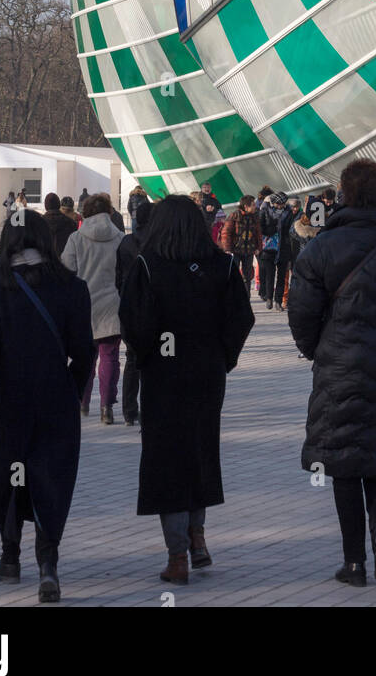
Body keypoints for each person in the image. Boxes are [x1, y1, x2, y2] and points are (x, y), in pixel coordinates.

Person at [287, 158, 376, 586]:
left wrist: (317, 350)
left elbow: (301, 310)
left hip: (339, 366)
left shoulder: (321, 247)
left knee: (344, 462)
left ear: (345, 195)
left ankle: (354, 563)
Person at [118, 196, 254, 584]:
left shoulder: (149, 266)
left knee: (167, 461)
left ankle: (178, 553)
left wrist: (145, 358)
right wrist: (222, 358)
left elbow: (133, 322)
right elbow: (240, 319)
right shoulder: (223, 267)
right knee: (200, 451)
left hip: (163, 377)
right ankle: (198, 537)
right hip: (207, 376)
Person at [0, 209, 93, 603]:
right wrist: (70, 391)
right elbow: (85, 352)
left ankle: (9, 558)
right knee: (50, 480)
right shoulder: (72, 287)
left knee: (11, 474)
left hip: (6, 403)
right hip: (55, 403)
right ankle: (48, 565)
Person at [60, 192, 124, 423]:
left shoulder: (76, 239)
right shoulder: (119, 239)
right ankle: (106, 407)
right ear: (109, 212)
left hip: (83, 307)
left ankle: (82, 403)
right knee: (110, 357)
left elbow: (65, 272)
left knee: (85, 357)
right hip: (111, 307)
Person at [116, 198, 154, 428]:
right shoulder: (158, 243)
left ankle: (129, 410)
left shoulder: (126, 242)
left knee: (131, 360)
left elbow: (117, 278)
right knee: (154, 362)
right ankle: (150, 408)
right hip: (153, 309)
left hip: (129, 308)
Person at [221, 196, 261, 295]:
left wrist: (258, 247)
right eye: (253, 205)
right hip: (235, 250)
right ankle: (232, 296)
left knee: (247, 276)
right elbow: (226, 233)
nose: (255, 207)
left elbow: (258, 234)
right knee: (233, 274)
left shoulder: (254, 217)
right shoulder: (234, 215)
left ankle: (246, 297)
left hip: (249, 250)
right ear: (246, 206)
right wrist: (227, 249)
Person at [258, 192, 286, 307]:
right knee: (270, 274)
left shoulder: (287, 211)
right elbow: (260, 229)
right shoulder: (264, 212)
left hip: (284, 247)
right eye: (279, 204)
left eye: (283, 204)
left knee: (282, 275)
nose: (281, 206)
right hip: (269, 247)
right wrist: (273, 229)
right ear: (273, 203)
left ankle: (278, 300)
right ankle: (269, 297)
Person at [42, 193, 77, 259]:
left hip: (46, 262)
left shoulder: (39, 222)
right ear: (58, 205)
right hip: (65, 262)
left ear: (46, 206)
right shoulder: (71, 223)